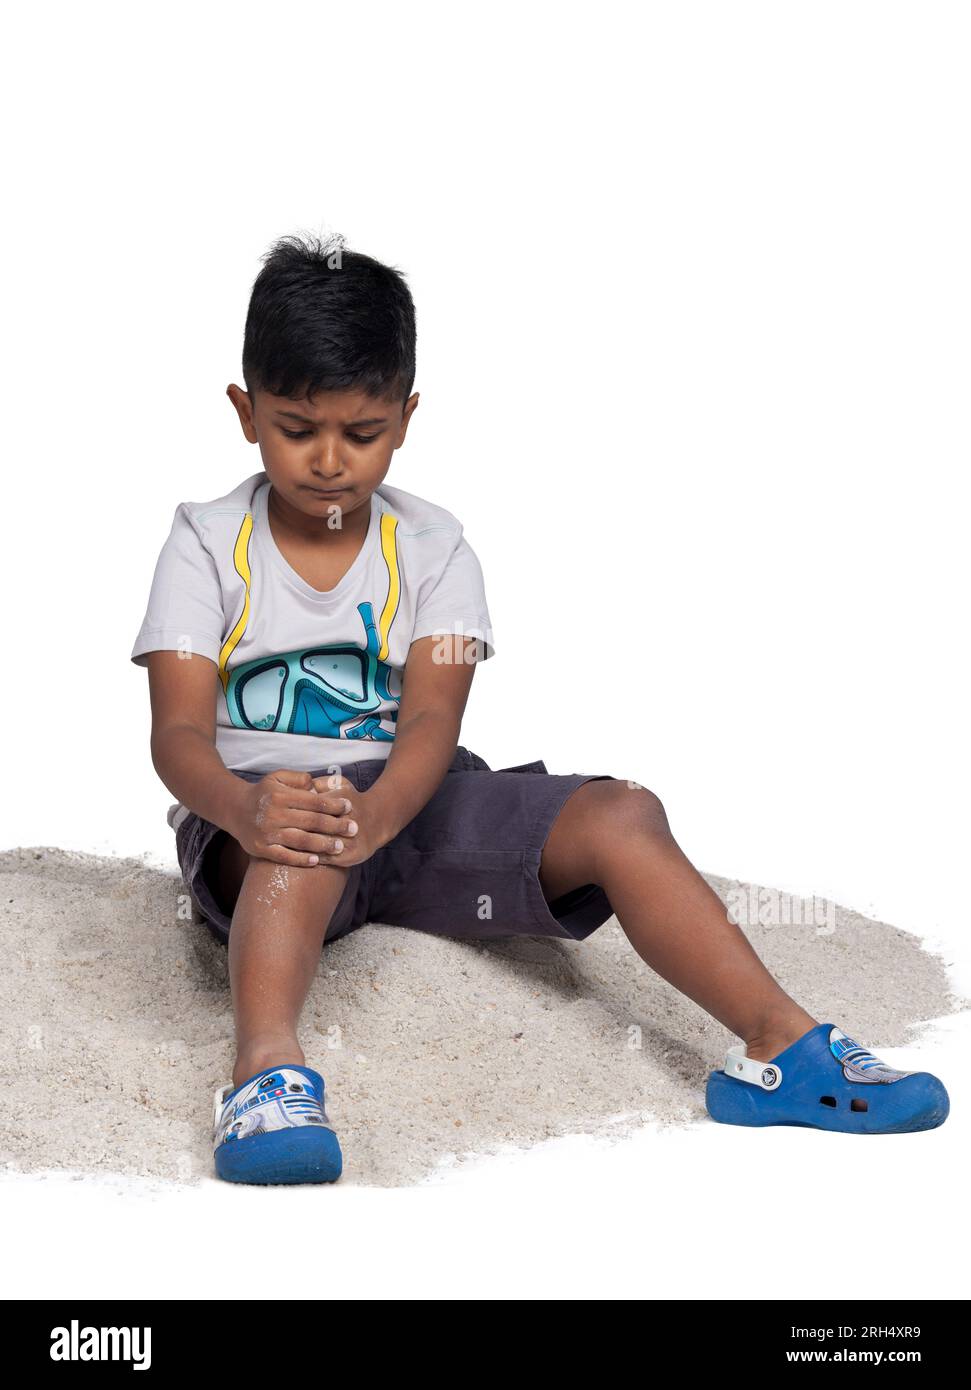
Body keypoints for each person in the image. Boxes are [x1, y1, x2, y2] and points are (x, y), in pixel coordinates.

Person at [131, 232, 949, 1185]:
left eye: (361, 433)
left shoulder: (433, 547)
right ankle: (265, 1077)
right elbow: (178, 732)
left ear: (405, 418)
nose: (326, 461)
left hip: (411, 796)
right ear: (244, 413)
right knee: (296, 843)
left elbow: (433, 718)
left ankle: (781, 1052)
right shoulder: (204, 541)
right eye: (295, 427)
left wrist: (386, 814)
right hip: (266, 814)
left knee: (623, 811)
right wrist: (242, 807)